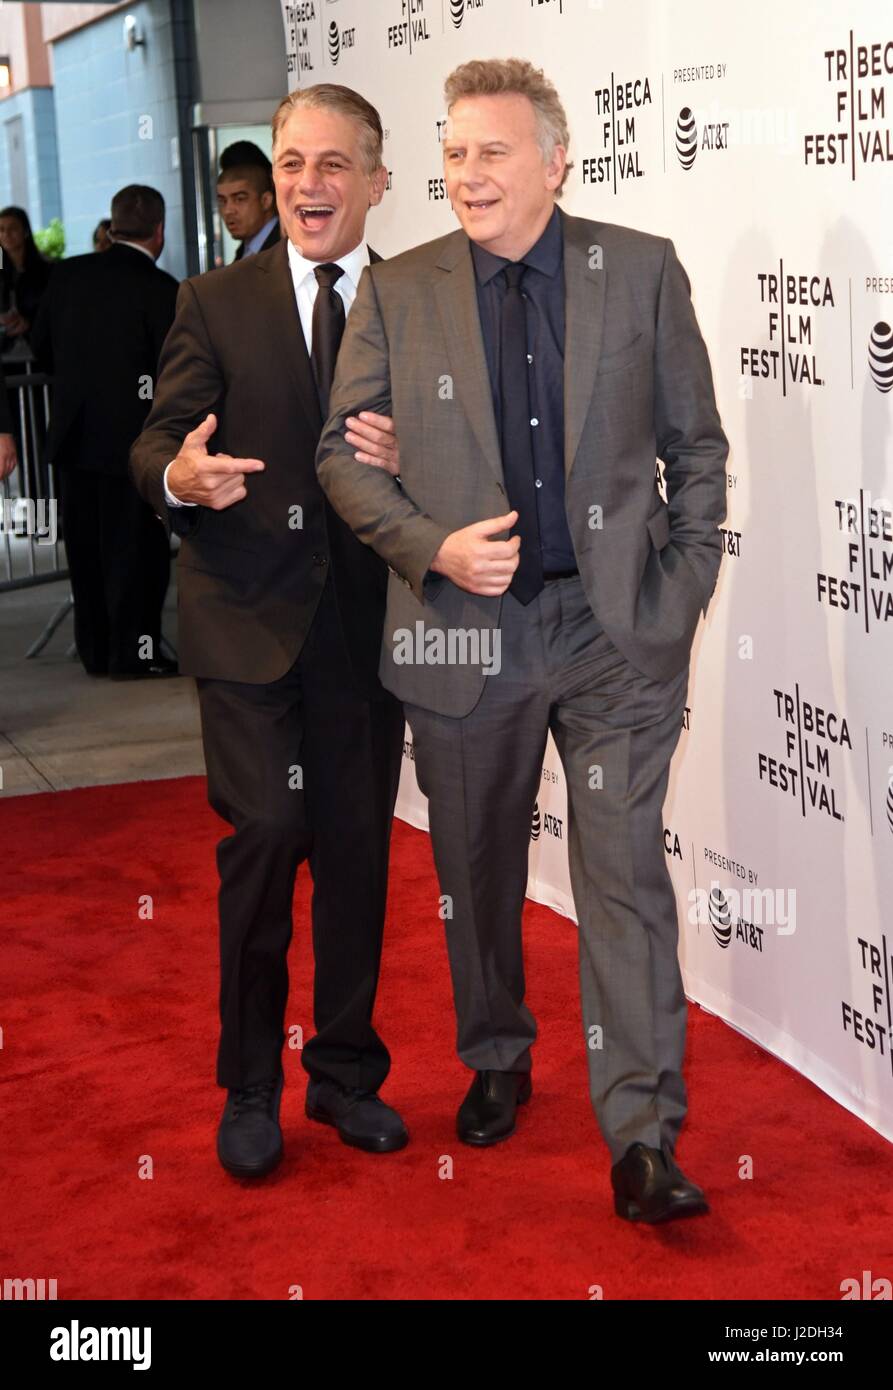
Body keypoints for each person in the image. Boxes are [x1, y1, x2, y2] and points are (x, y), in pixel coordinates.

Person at [317, 58, 729, 1224]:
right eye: (452, 152)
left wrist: (675, 594)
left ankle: (641, 1133)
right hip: (461, 631)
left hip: (610, 631)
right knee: (476, 867)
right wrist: (433, 548)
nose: (465, 173)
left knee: (623, 879)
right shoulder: (399, 288)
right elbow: (341, 455)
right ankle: (496, 1049)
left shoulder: (637, 270)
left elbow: (695, 451)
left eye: (490, 152)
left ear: (554, 161)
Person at [130, 84, 409, 1180]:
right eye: (291, 163)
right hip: (245, 624)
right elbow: (156, 442)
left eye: (333, 164)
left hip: (366, 633)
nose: (307, 184)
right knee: (268, 832)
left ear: (376, 180)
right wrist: (181, 477)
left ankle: (343, 1074)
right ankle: (251, 1082)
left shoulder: (415, 303)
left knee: (355, 849)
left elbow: (464, 462)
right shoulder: (213, 301)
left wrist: (421, 461)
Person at [31, 185, 178, 678]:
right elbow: (172, 369)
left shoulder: (67, 276)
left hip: (74, 439)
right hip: (136, 445)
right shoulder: (162, 289)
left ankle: (95, 652)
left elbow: (42, 348)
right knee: (137, 554)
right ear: (159, 231)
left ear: (113, 227)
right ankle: (134, 656)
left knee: (86, 553)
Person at [0, 206, 54, 344]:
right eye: (1, 229)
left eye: (13, 228)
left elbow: (55, 310)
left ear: (25, 231)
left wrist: (29, 322)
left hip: (39, 345)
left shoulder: (47, 270)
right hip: (5, 348)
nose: (6, 234)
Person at [216, 163, 279, 262]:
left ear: (266, 201)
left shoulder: (288, 247)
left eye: (239, 199)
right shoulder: (245, 250)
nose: (228, 210)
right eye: (223, 201)